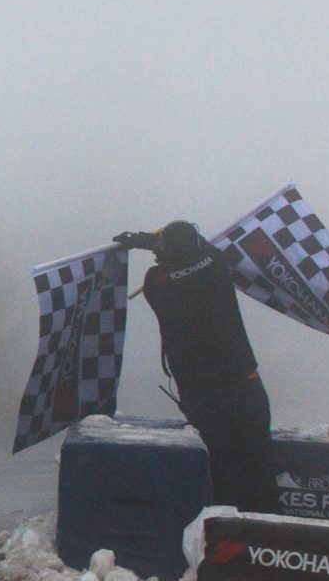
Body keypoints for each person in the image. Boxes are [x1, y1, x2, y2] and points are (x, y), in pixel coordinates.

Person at [115, 220, 278, 513]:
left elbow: (170, 264)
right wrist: (160, 241)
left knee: (221, 462)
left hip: (200, 391)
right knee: (259, 460)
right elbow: (201, 249)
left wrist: (140, 240)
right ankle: (270, 526)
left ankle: (227, 526)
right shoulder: (217, 265)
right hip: (244, 379)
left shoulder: (157, 283)